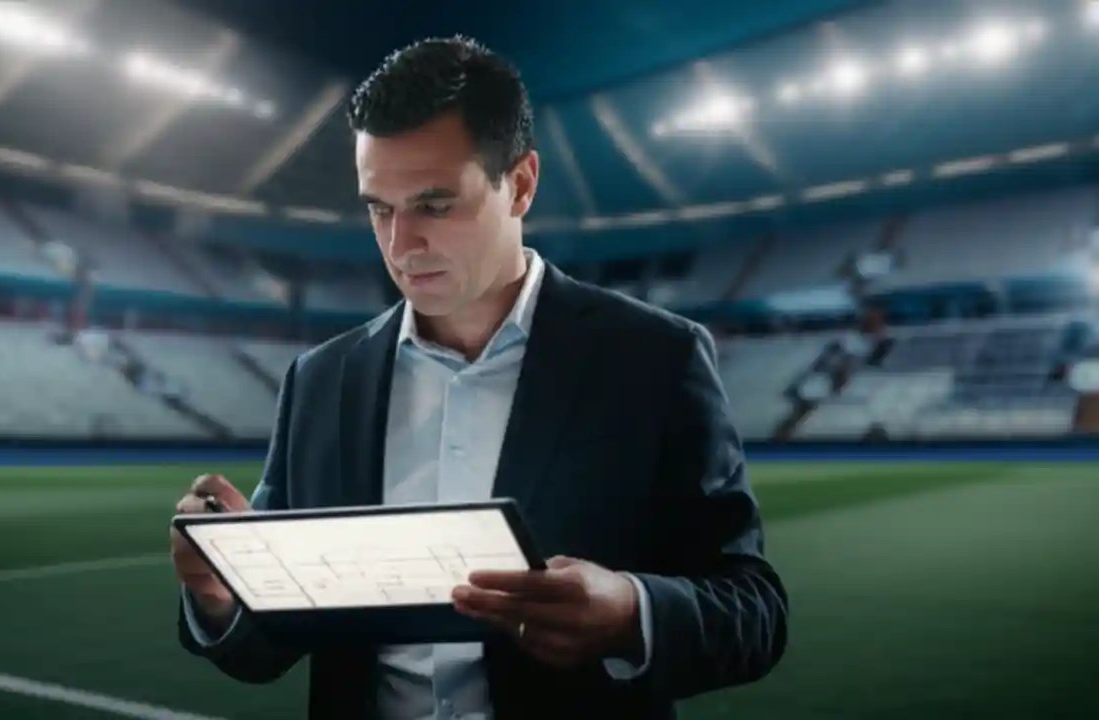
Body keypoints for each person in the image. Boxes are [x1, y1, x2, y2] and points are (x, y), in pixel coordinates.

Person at [172, 36, 788, 719]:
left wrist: (630, 614)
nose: (400, 247)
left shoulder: (655, 359)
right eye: (379, 207)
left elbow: (754, 611)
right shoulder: (320, 381)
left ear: (521, 183)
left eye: (434, 206)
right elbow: (272, 643)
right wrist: (222, 596)